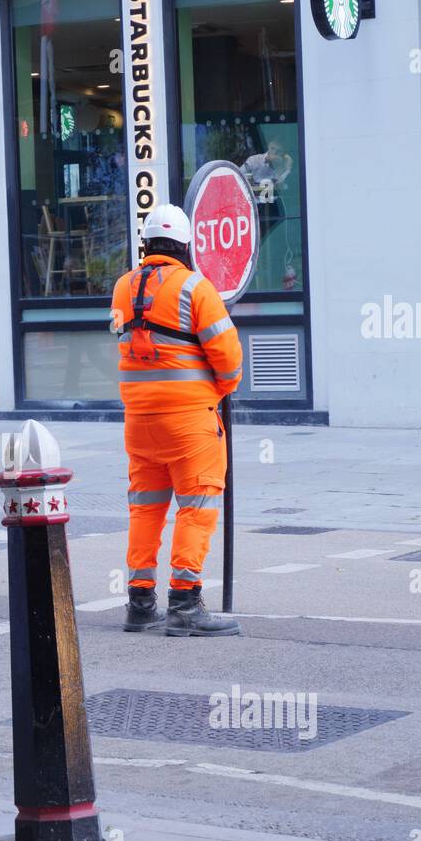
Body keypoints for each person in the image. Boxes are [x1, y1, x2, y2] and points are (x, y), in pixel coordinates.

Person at [111, 204, 243, 637]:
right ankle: (185, 604)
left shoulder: (122, 288)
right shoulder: (196, 288)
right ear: (186, 246)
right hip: (188, 421)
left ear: (146, 244)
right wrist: (221, 389)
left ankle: (140, 601)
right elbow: (227, 356)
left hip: (139, 421)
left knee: (145, 509)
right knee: (197, 505)